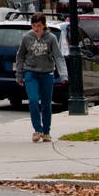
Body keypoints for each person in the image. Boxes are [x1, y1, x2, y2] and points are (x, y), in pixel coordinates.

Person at [15, 12, 67, 142]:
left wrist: (63, 74)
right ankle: (37, 130)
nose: (36, 28)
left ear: (44, 25)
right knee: (33, 101)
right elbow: (20, 56)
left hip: (46, 73)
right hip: (31, 73)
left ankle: (46, 131)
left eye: (39, 25)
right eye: (34, 25)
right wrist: (19, 75)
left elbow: (58, 57)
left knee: (46, 104)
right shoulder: (27, 38)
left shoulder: (51, 38)